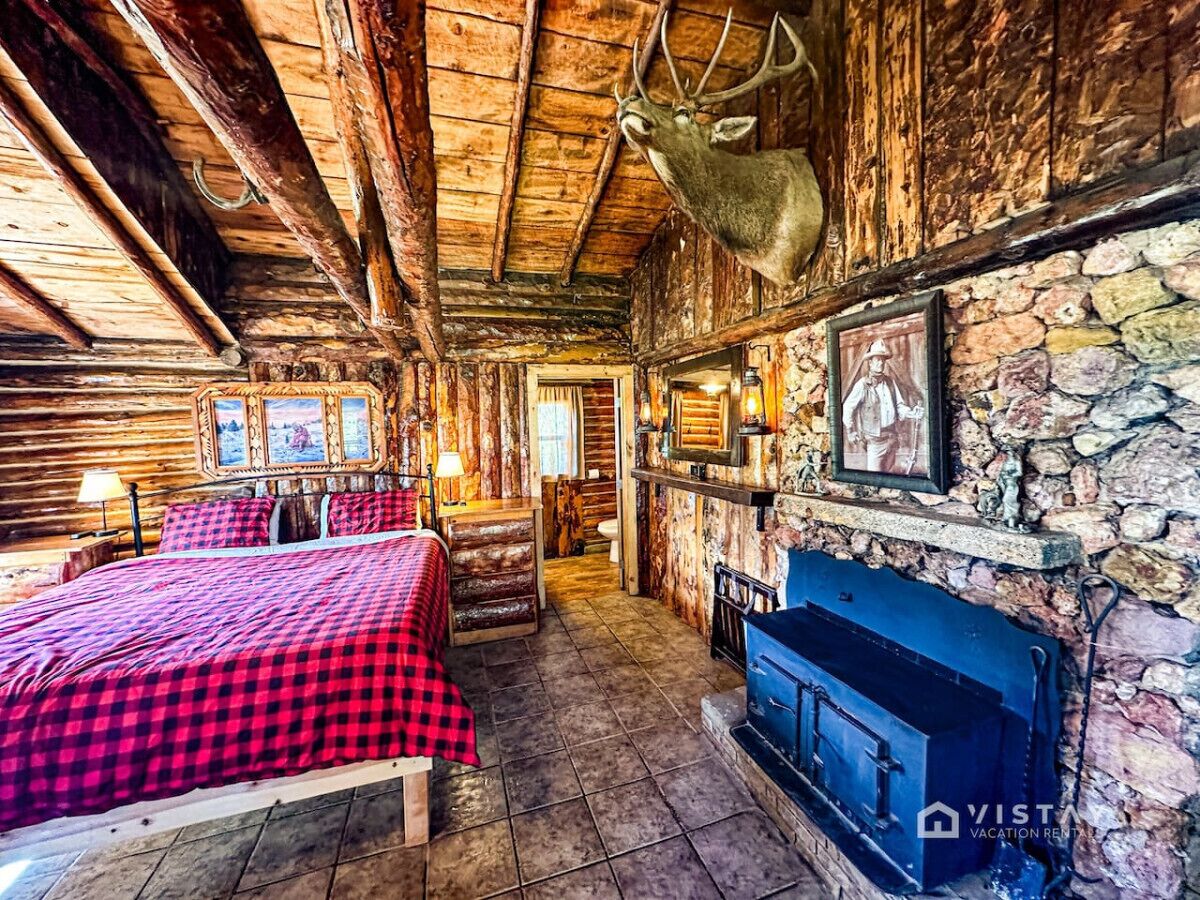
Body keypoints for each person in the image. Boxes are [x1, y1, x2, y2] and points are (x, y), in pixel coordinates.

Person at [842, 338, 924, 473]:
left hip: (892, 438)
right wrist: (850, 431)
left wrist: (912, 413)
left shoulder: (890, 382)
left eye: (883, 360)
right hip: (875, 441)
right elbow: (848, 407)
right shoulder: (863, 385)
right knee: (874, 477)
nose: (880, 363)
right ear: (870, 363)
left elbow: (899, 406)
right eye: (877, 360)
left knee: (889, 474)